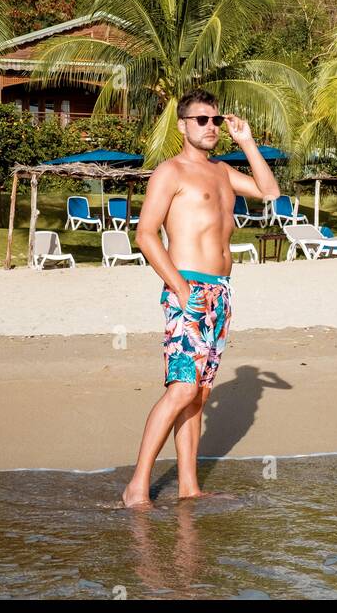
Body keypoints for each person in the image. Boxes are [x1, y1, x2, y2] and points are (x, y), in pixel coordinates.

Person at [120, 90, 280, 509]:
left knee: (200, 394)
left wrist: (246, 141)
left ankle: (188, 486)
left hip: (220, 294)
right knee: (181, 389)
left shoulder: (224, 173)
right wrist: (179, 287)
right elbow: (145, 234)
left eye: (215, 120)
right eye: (201, 120)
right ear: (182, 125)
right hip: (186, 290)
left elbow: (269, 192)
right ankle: (137, 486)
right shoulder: (170, 173)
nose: (210, 127)